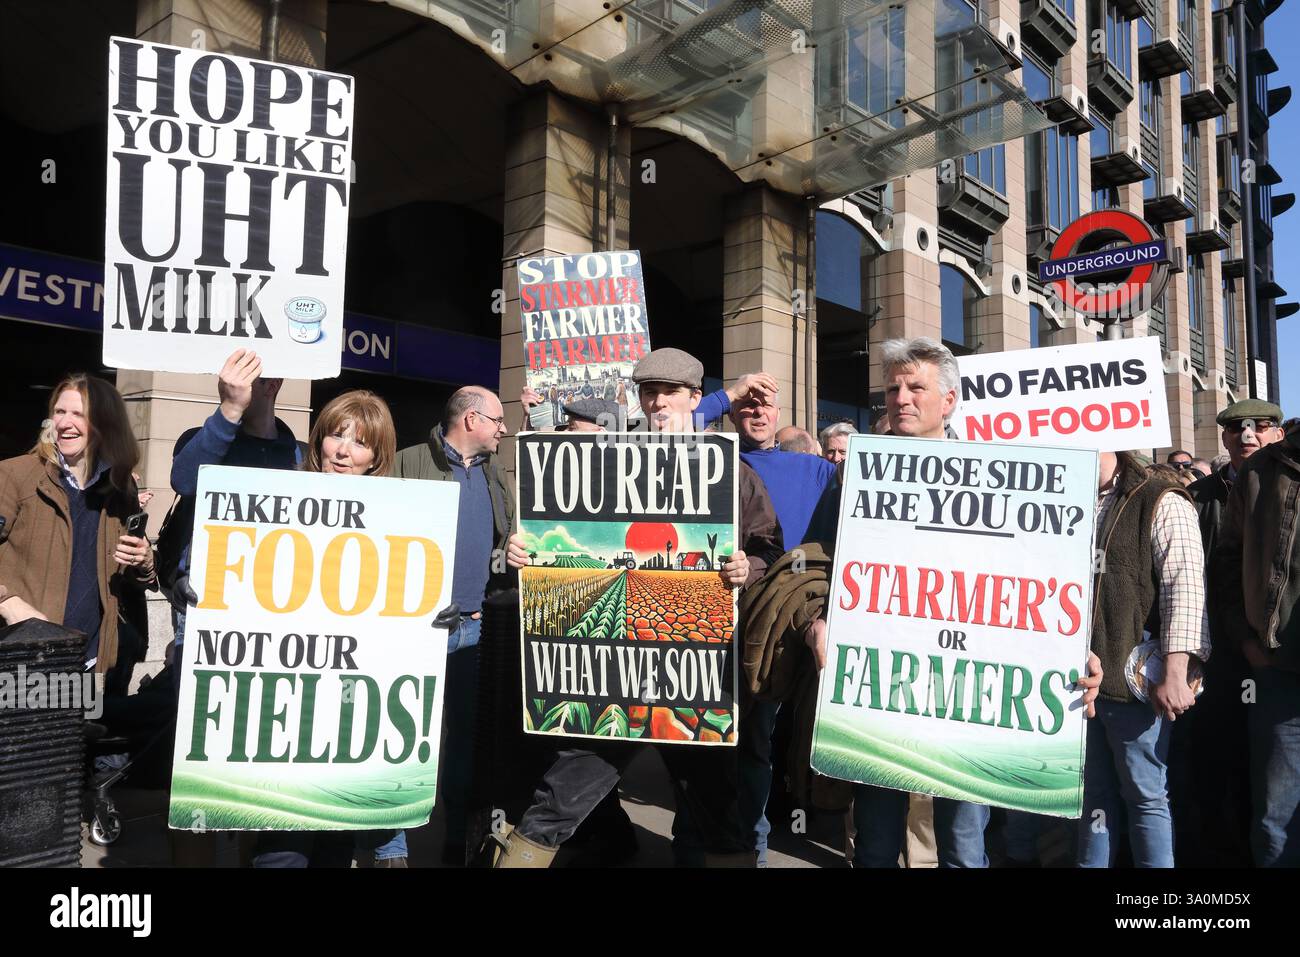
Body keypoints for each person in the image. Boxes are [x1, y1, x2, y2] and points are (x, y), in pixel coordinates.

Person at [800, 337, 1103, 868]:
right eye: (893, 388)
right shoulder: (854, 474)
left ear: (950, 400)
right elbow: (815, 566)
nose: (901, 398)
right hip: (878, 695)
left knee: (963, 847)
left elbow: (1034, 583)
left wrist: (1072, 652)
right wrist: (814, 624)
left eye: (916, 387)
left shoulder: (999, 477)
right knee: (874, 843)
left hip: (968, 706)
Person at [494, 347, 784, 868]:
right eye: (648, 392)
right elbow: (553, 536)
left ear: (695, 398)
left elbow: (768, 545)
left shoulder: (730, 471)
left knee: (719, 807)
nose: (656, 402)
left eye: (669, 392)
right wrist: (526, 553)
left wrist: (749, 568)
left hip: (697, 676)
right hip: (608, 677)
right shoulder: (599, 460)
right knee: (558, 799)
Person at [249, 390, 403, 868]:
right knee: (280, 836)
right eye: (337, 435)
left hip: (357, 692)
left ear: (378, 455)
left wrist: (435, 616)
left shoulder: (401, 514)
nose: (342, 450)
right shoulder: (279, 497)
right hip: (287, 684)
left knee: (336, 832)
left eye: (359, 443)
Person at [395, 385, 522, 865]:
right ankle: (391, 842)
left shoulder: (495, 474)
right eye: (497, 420)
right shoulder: (407, 462)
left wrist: (515, 551)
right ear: (471, 420)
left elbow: (509, 535)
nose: (503, 429)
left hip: (476, 628)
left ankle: (456, 837)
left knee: (466, 740)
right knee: (405, 736)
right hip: (416, 630)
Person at [1077, 450, 1209, 868]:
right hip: (1072, 683)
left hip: (1133, 682)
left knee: (1145, 794)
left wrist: (1176, 672)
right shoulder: (1057, 495)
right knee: (1089, 795)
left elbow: (1184, 586)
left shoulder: (1160, 497)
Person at [1172, 400, 1286, 866]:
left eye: (1260, 426)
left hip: (1276, 656)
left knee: (1271, 771)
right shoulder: (1196, 499)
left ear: (1277, 433)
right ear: (1223, 440)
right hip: (1217, 656)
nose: (1247, 435)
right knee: (1212, 759)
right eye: (1237, 428)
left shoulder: (1287, 489)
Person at [0, 374, 155, 674]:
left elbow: (131, 575)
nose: (64, 423)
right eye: (59, 412)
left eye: (79, 414)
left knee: (85, 722)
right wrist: (8, 603)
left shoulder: (122, 489)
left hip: (94, 662)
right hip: (24, 661)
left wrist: (146, 562)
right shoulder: (14, 475)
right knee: (31, 723)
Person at [1213, 416, 1300, 867]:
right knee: (1275, 820)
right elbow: (1227, 561)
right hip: (1279, 672)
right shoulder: (1261, 471)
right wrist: (1246, 638)